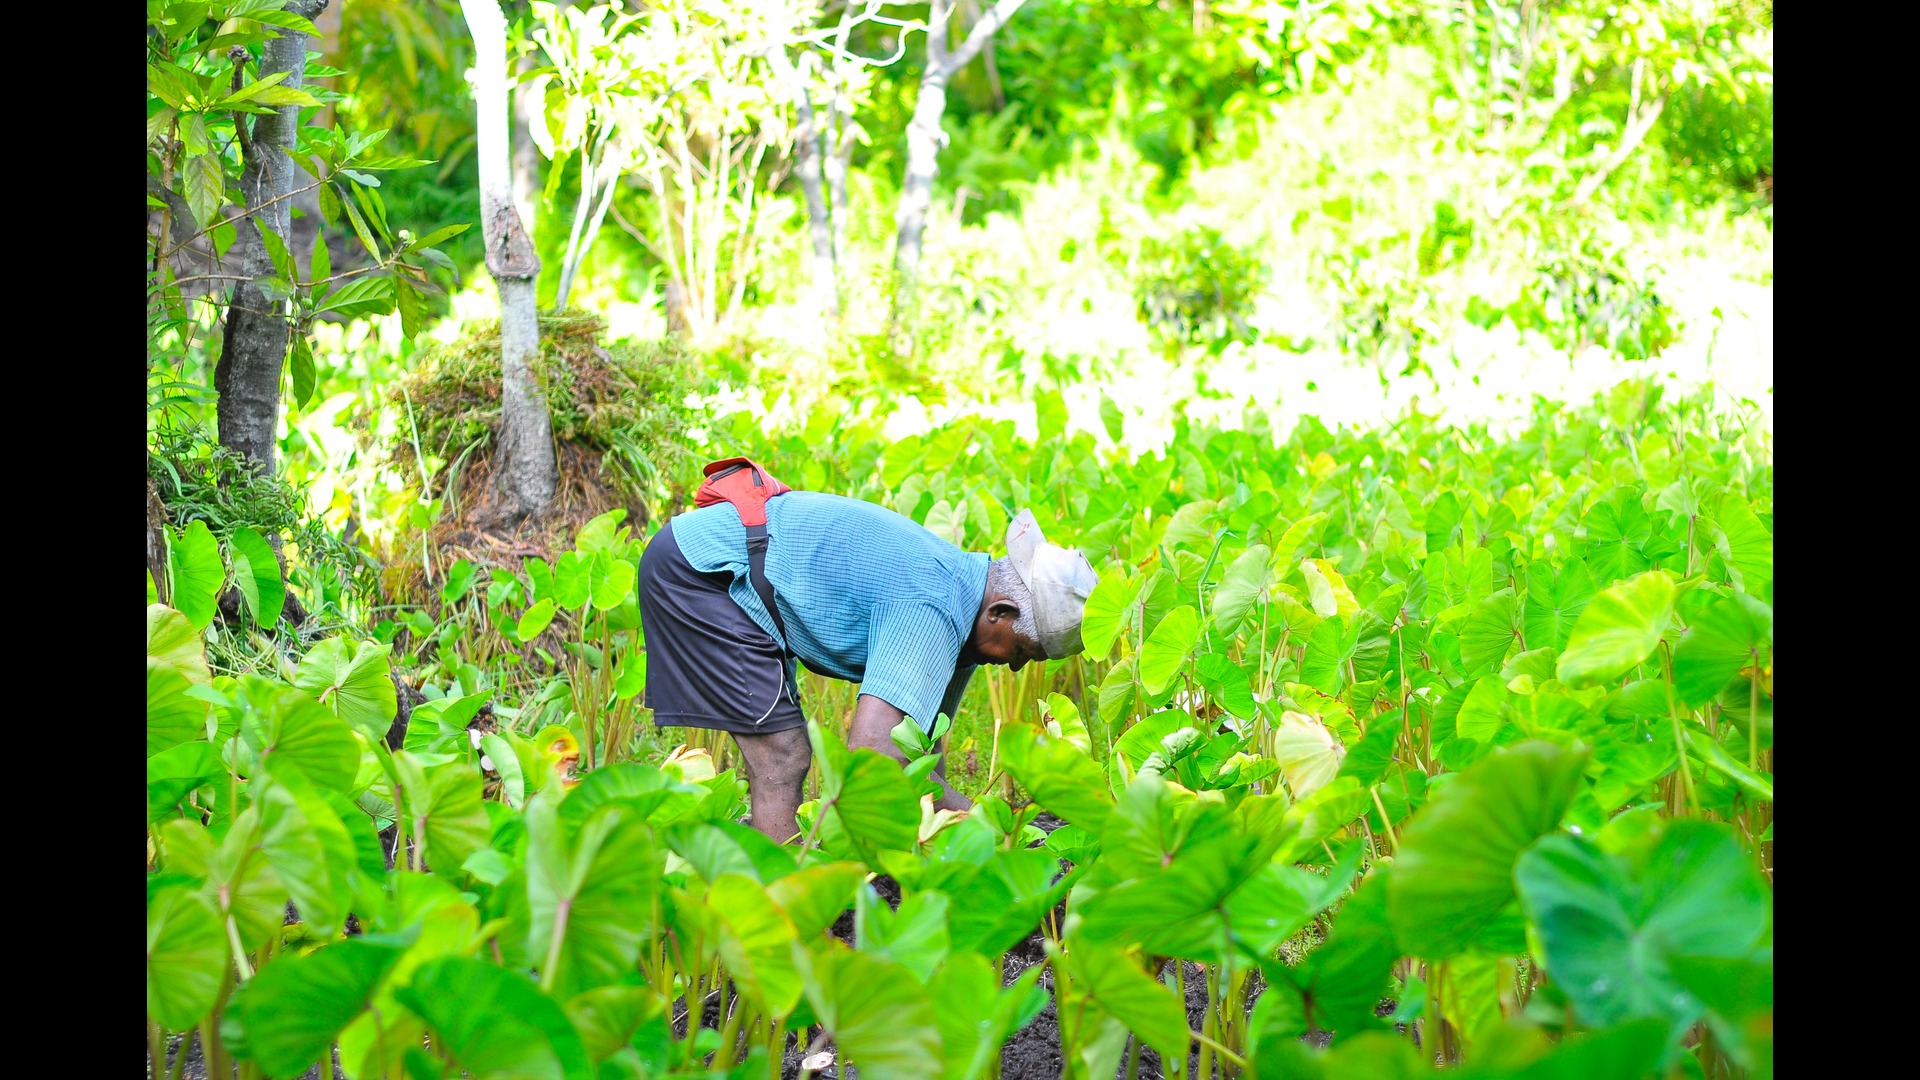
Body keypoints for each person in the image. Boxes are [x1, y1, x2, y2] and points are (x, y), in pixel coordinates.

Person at [637, 488, 1098, 843]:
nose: (1014, 668)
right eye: (1022, 653)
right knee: (783, 757)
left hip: (732, 567)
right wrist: (989, 825)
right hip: (704, 572)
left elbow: (919, 759)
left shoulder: (966, 607)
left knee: (790, 759)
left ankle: (779, 876)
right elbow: (876, 755)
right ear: (1001, 613)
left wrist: (988, 829)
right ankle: (784, 919)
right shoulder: (935, 605)